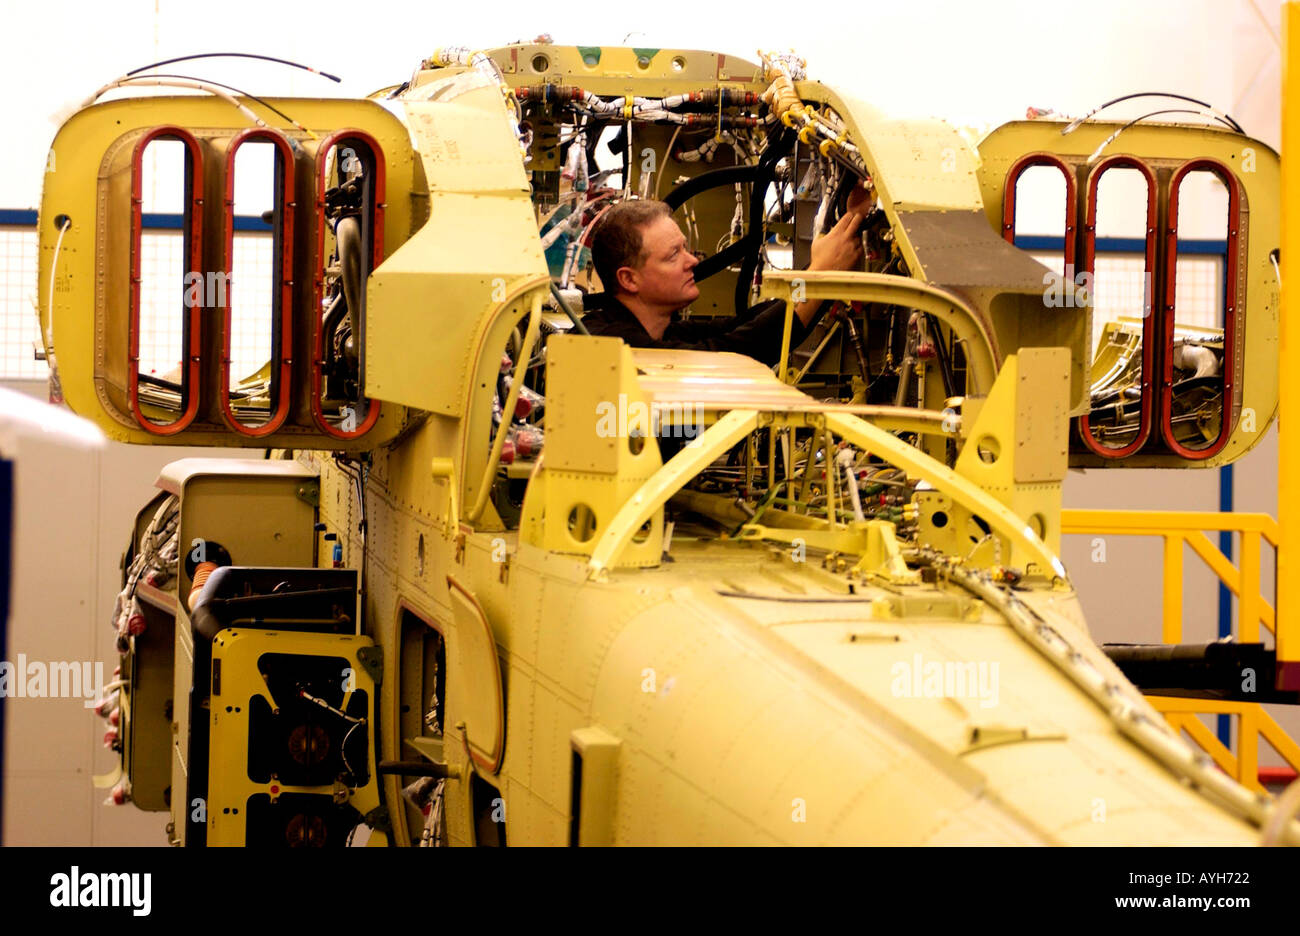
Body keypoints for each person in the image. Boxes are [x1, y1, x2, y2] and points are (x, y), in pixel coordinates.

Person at [582, 195, 868, 366]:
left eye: (684, 248)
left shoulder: (660, 332)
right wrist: (820, 274)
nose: (692, 260)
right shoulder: (611, 346)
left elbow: (746, 326)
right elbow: (740, 352)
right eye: (673, 255)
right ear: (629, 280)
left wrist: (828, 257)